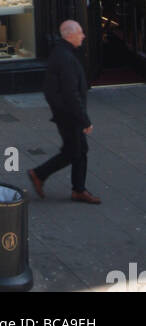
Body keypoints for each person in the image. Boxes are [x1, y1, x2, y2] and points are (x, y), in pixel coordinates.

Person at [28, 20, 101, 204]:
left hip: (66, 113)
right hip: (68, 114)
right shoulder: (65, 57)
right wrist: (84, 120)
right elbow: (70, 93)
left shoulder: (62, 53)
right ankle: (40, 174)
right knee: (73, 151)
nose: (83, 36)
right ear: (70, 35)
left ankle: (78, 189)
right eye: (80, 32)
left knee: (79, 149)